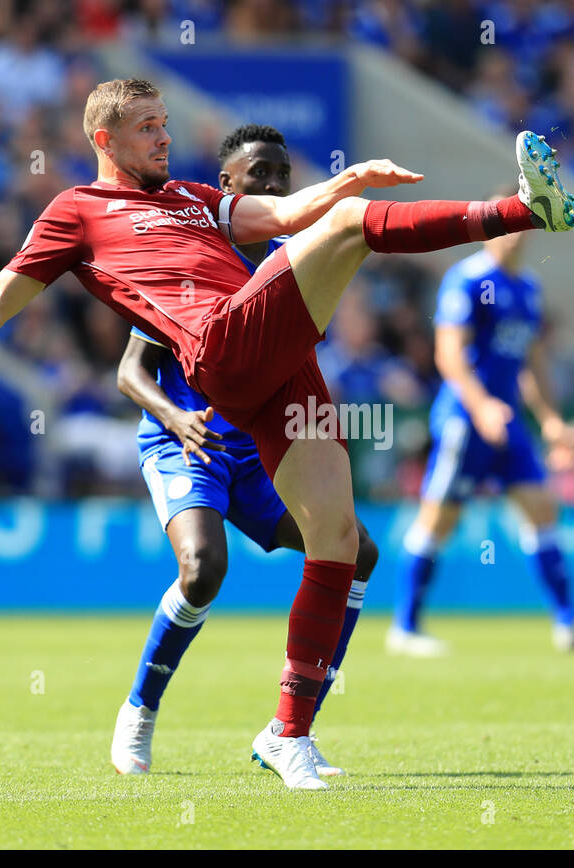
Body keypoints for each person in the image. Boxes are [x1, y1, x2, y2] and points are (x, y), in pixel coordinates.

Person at [0, 77, 574, 789]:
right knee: (349, 227)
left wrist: (350, 177)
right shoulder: (77, 211)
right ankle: (522, 210)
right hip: (218, 354)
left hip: (279, 371)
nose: (163, 136)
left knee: (339, 542)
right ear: (104, 140)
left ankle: (289, 736)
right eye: (147, 126)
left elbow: (285, 213)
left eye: (165, 123)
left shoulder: (193, 197)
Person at [111, 124, 378, 778]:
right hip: (187, 444)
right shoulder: (183, 255)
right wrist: (178, 417)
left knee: (356, 551)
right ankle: (139, 711)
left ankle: (290, 728)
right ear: (224, 186)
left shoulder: (293, 258)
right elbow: (130, 372)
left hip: (261, 455)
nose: (272, 185)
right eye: (257, 174)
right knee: (204, 569)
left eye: (281, 176)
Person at [388, 209, 574, 655]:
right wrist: (480, 407)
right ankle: (405, 627)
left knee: (541, 510)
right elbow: (448, 355)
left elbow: (532, 362)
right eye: (500, 227)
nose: (509, 237)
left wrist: (551, 422)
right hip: (464, 419)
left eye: (515, 228)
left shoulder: (529, 287)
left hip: (507, 421)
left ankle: (569, 622)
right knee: (439, 520)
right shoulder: (468, 279)